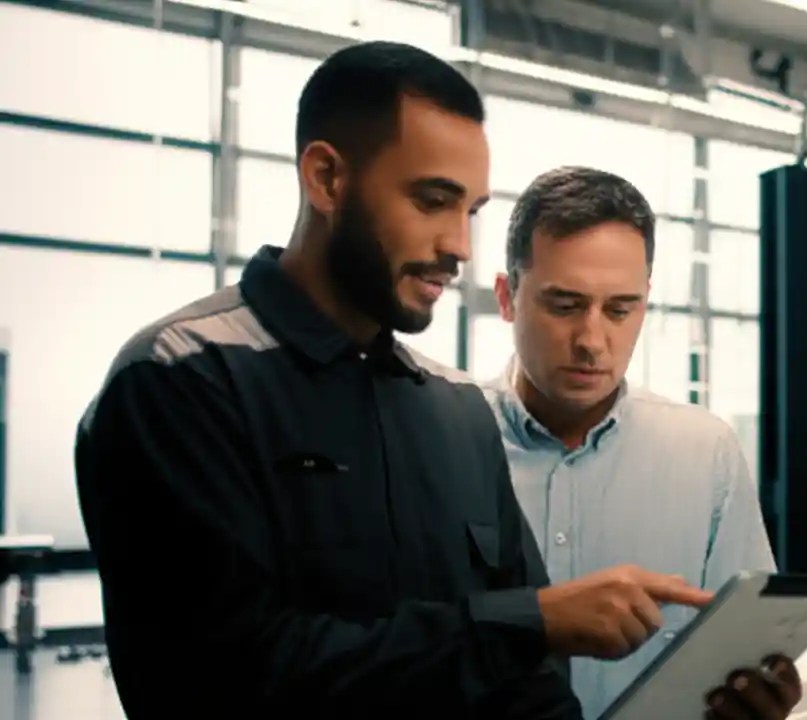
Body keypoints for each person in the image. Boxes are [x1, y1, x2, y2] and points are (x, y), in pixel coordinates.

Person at [71, 42, 754, 719]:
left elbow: (531, 682)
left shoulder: (454, 412)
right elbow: (210, 679)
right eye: (433, 201)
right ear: (327, 179)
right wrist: (521, 623)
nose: (458, 243)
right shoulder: (181, 379)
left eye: (471, 211)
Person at [483, 165, 804, 720]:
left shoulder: (705, 454)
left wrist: (759, 695)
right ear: (508, 297)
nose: (592, 341)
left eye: (620, 309)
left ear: (646, 301)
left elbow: (743, 646)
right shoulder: (445, 440)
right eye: (564, 305)